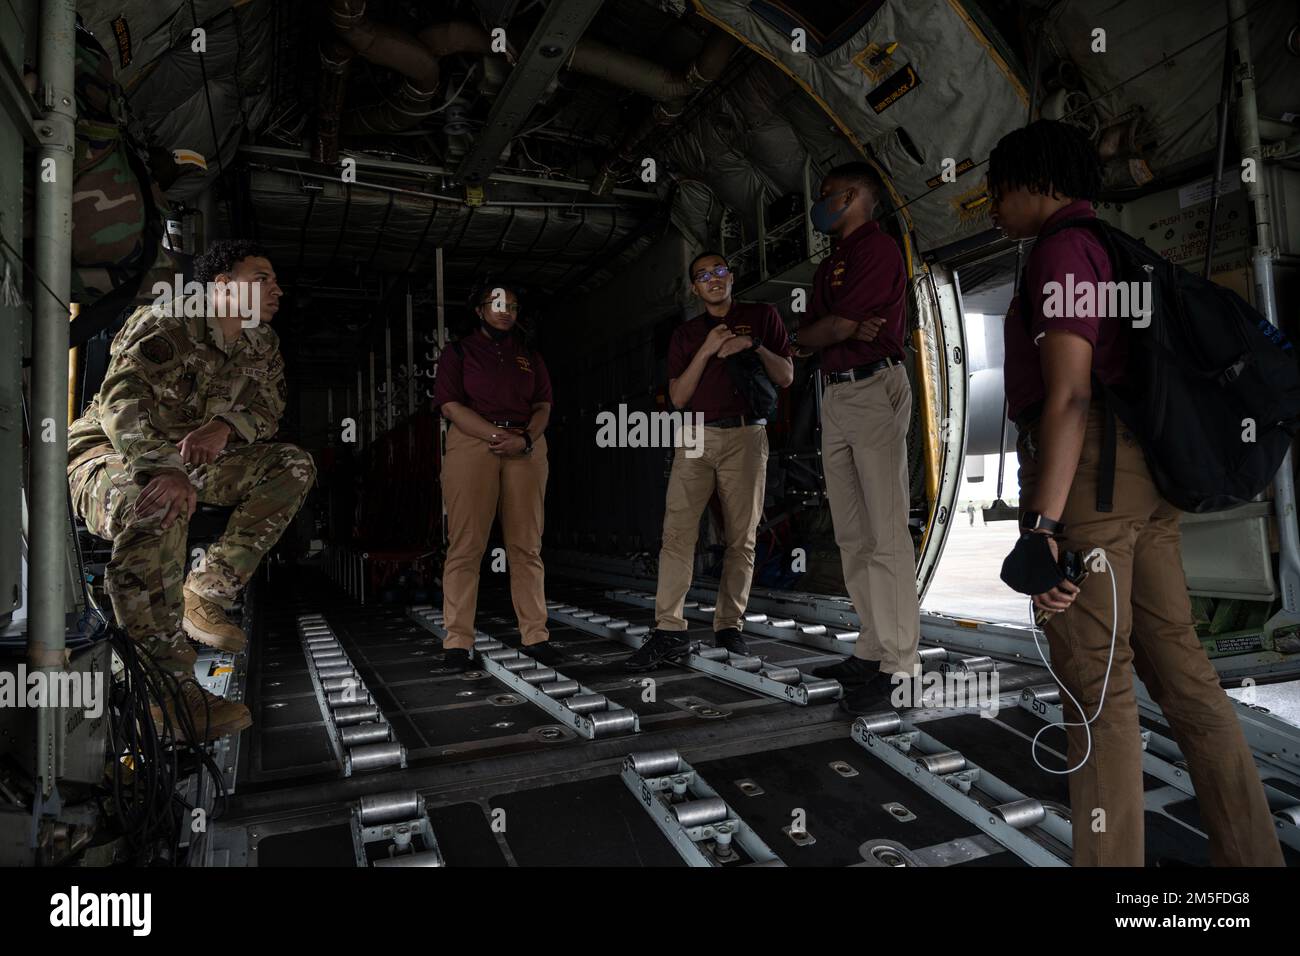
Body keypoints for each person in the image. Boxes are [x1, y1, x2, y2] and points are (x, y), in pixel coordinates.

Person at [991, 119, 1283, 866]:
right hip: (1145, 481)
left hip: (1091, 479)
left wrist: (1042, 525)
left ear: (1035, 183)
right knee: (1185, 676)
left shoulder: (1061, 251)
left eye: (998, 189)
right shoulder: (1112, 247)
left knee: (1097, 690)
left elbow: (1068, 396)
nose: (991, 205)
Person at [68, 240, 315, 742]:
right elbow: (121, 401)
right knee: (159, 503)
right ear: (222, 286)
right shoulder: (170, 322)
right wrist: (163, 467)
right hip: (112, 451)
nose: (277, 290)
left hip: (191, 459)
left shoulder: (261, 343)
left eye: (275, 281)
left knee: (291, 465)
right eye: (262, 278)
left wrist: (226, 426)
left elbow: (268, 410)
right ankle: (166, 691)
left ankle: (206, 591)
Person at [789, 162, 920, 713]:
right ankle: (872, 649)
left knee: (886, 533)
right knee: (852, 534)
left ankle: (901, 666)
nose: (820, 205)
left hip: (872, 386)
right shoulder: (831, 264)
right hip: (836, 392)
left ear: (854, 197)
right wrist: (829, 331)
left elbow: (834, 328)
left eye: (827, 195)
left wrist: (832, 330)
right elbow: (815, 333)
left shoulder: (877, 249)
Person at [625, 252, 793, 671]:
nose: (713, 279)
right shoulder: (685, 335)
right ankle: (669, 630)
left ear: (731, 277)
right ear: (694, 289)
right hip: (696, 435)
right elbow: (678, 398)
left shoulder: (762, 316)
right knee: (677, 534)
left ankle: (729, 626)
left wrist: (752, 344)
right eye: (703, 275)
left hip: (747, 433)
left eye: (719, 271)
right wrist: (708, 349)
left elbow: (786, 375)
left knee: (742, 537)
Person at [433, 284, 556, 671]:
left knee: (527, 545)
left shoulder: (529, 356)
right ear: (479, 310)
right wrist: (495, 436)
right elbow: (450, 406)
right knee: (466, 545)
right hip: (474, 443)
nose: (506, 311)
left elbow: (543, 405)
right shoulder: (458, 352)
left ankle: (535, 635)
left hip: (525, 445)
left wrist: (525, 439)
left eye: (513, 306)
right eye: (498, 304)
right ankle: (457, 641)